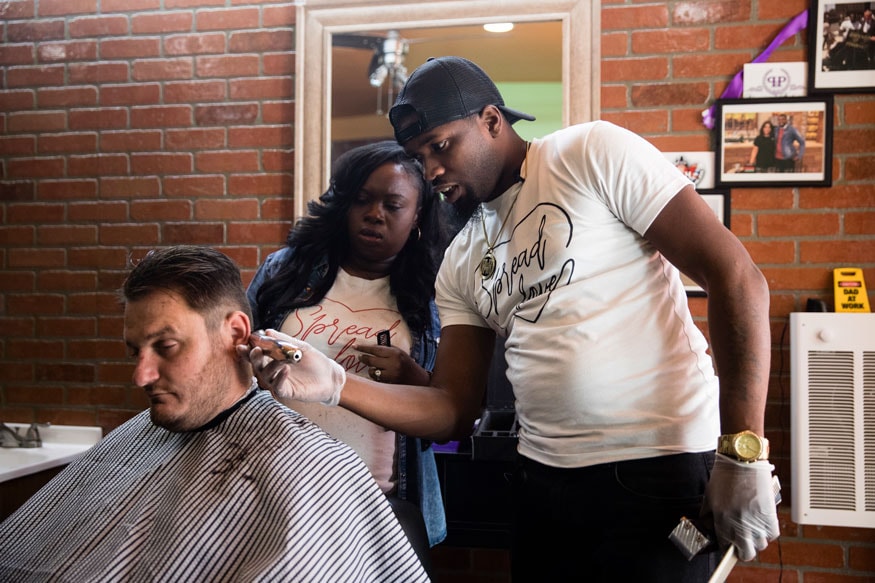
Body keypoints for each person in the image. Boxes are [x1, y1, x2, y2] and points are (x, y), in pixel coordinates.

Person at [247, 57, 780, 581]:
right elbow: (452, 409)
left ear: (491, 121)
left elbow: (736, 278)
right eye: (418, 156)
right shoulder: (461, 257)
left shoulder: (589, 153)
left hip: (657, 467)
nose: (430, 171)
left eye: (440, 146)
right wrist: (335, 383)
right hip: (541, 484)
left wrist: (744, 451)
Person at [0, 245, 429, 583]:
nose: (140, 376)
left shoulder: (310, 467)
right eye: (135, 351)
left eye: (166, 346)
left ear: (235, 332)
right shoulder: (139, 434)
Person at [246, 141, 448, 553]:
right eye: (362, 200)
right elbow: (234, 358)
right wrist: (258, 362)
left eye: (393, 205)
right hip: (278, 486)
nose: (374, 214)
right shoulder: (284, 269)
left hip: (378, 503)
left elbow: (455, 414)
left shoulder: (436, 294)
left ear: (417, 216)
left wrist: (414, 377)